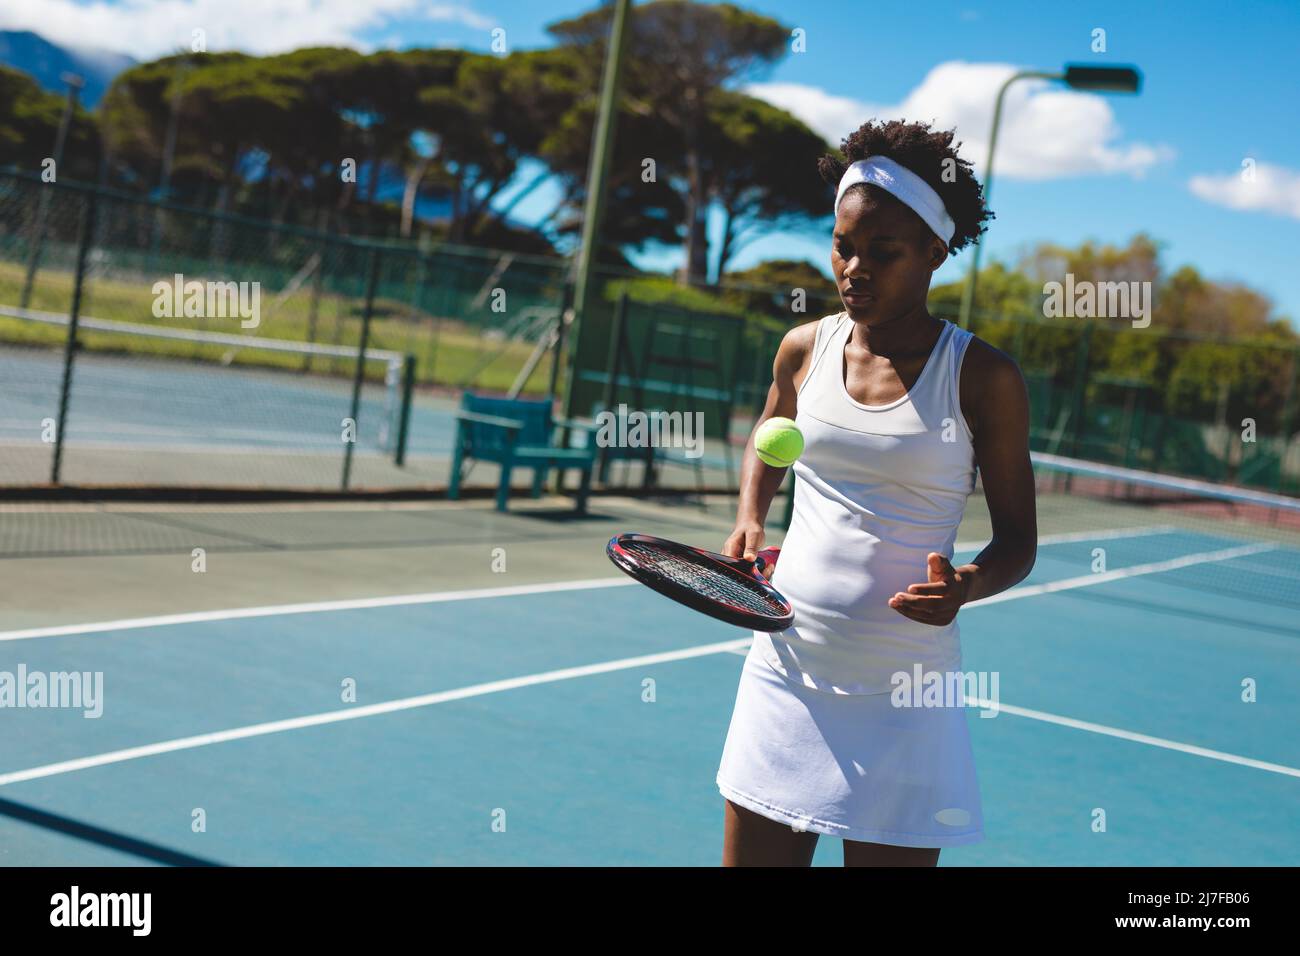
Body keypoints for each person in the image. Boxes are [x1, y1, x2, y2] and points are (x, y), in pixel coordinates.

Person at [717, 118, 1038, 867]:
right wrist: (748, 521)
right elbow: (770, 436)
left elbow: (1018, 542)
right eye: (843, 245)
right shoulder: (804, 347)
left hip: (906, 694)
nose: (854, 268)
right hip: (786, 668)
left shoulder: (982, 378)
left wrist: (969, 583)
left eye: (883, 253)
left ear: (935, 252)